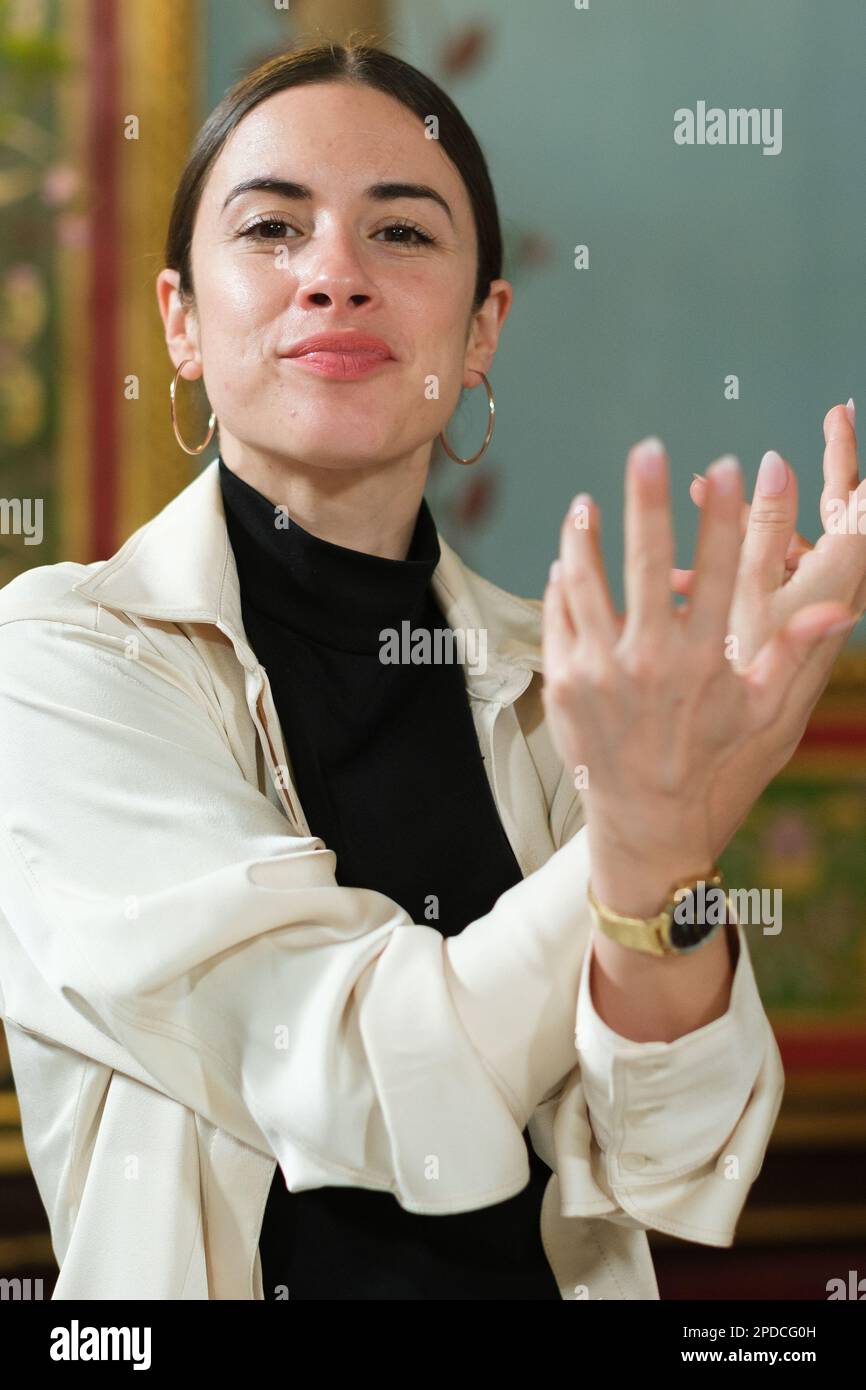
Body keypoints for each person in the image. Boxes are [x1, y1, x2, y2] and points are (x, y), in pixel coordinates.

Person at [0, 40, 864, 1302]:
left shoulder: (560, 683)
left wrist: (666, 843)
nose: (335, 276)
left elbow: (667, 1154)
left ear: (479, 331)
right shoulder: (62, 664)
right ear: (179, 319)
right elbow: (357, 1069)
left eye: (401, 234)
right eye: (273, 229)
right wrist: (642, 836)